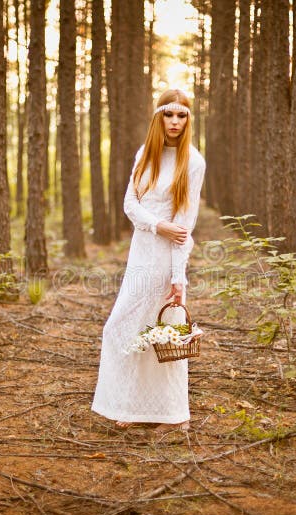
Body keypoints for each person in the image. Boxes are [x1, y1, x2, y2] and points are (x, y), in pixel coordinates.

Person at [91, 89, 205, 431]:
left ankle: (172, 415)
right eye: (169, 114)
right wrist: (158, 225)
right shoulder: (145, 154)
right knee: (124, 329)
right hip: (141, 253)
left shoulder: (193, 161)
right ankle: (128, 406)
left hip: (166, 262)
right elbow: (130, 203)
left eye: (182, 115)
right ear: (159, 117)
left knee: (164, 335)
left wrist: (178, 278)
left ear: (188, 119)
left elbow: (185, 226)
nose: (175, 121)